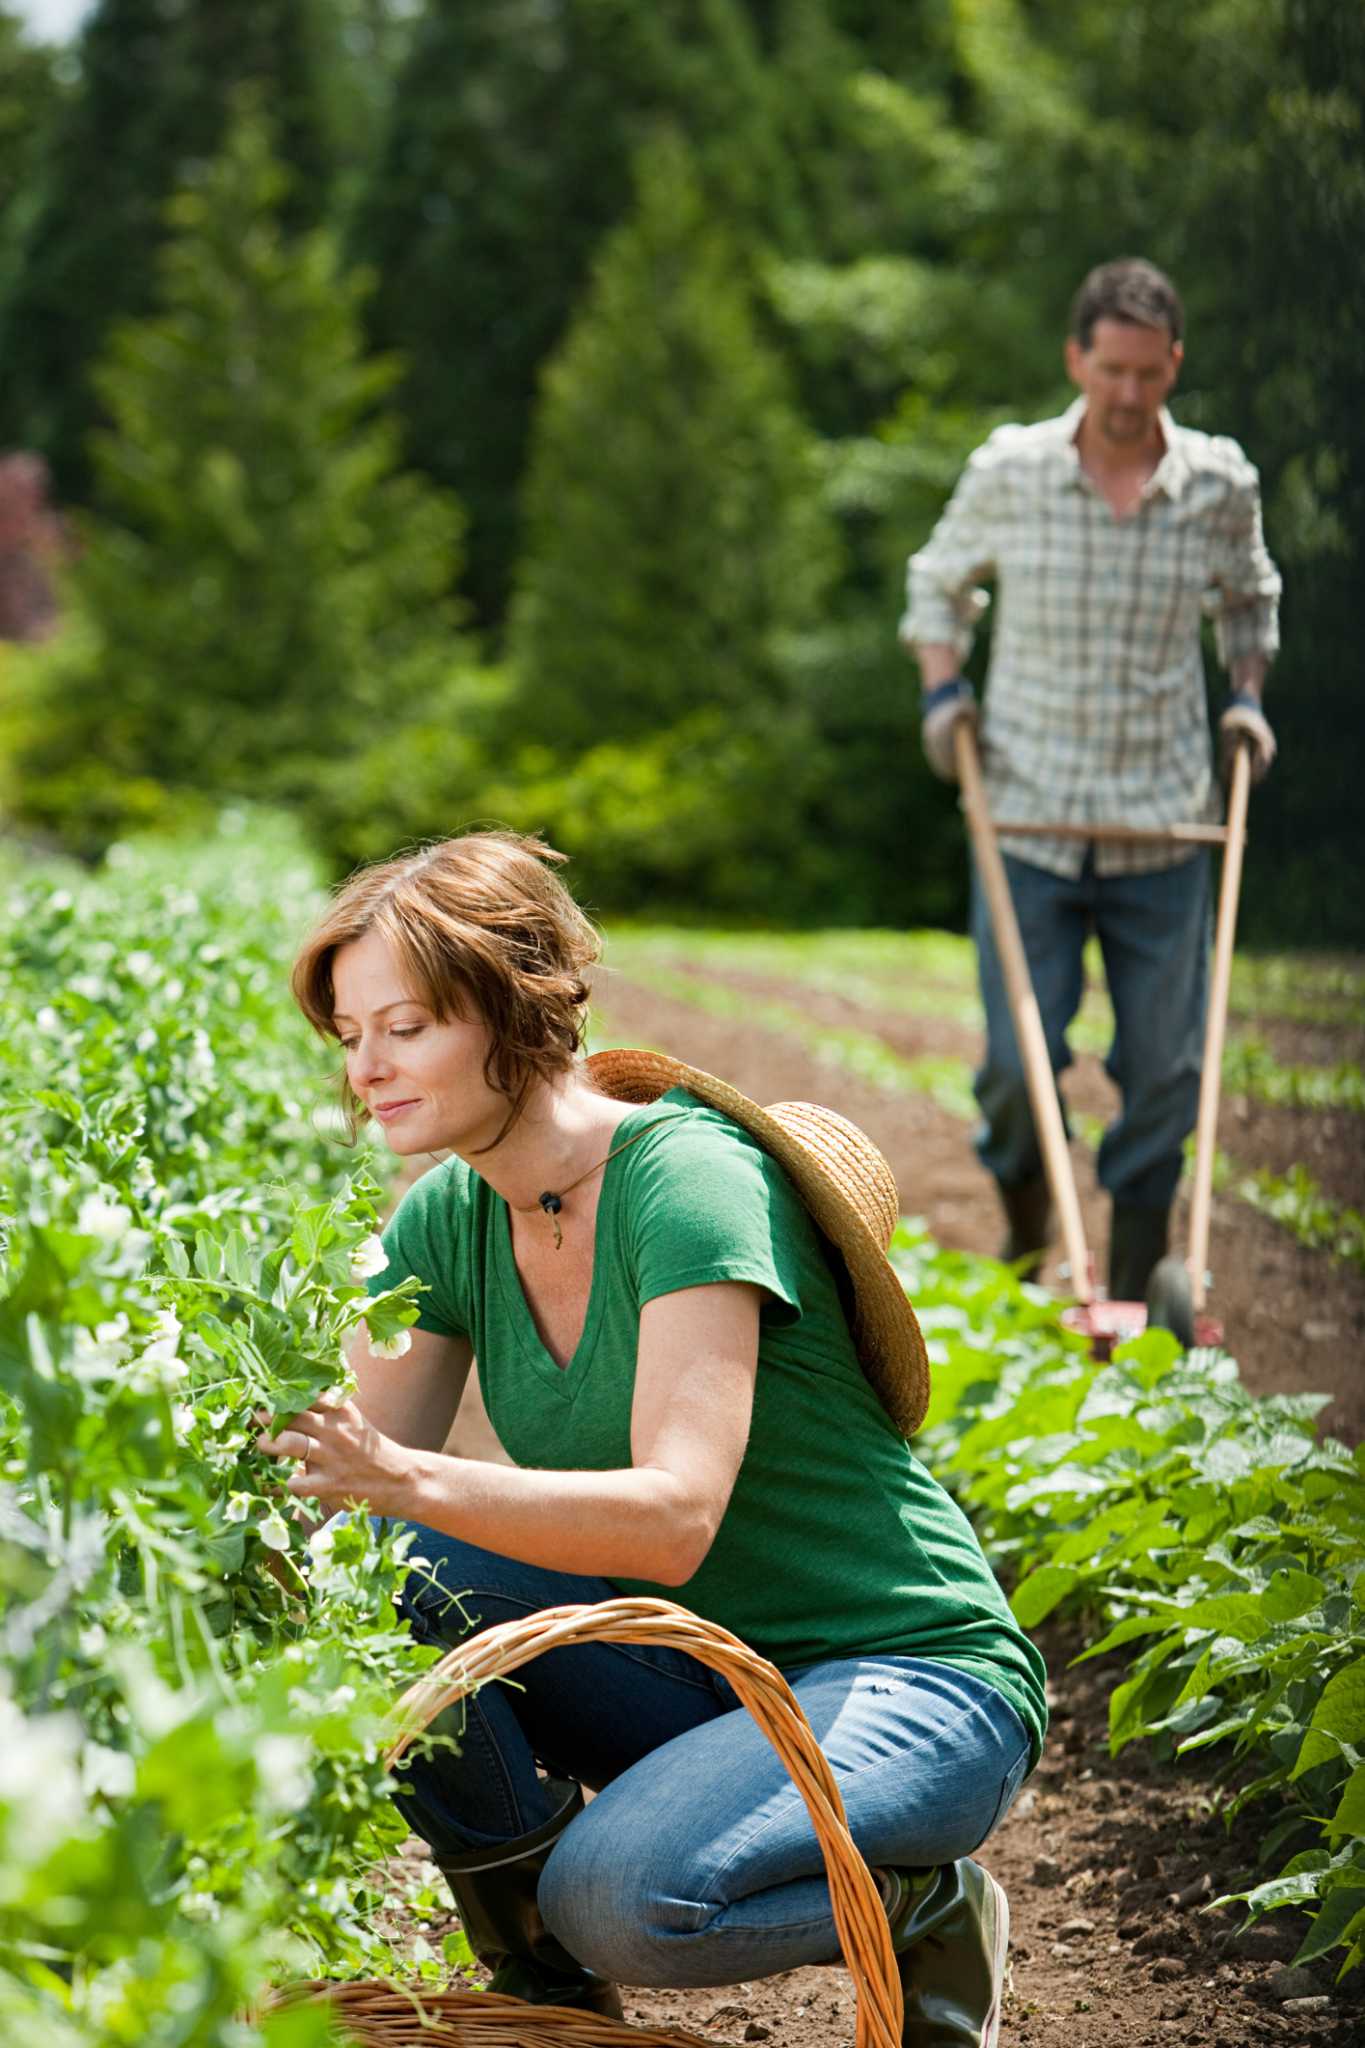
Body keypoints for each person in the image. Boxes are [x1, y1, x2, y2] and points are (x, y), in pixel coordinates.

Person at [259, 829, 1047, 2048]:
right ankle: (549, 1998)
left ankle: (920, 1904)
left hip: (909, 1677)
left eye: (404, 1027)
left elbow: (674, 1519)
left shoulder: (687, 1179)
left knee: (619, 1896)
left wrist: (403, 1475)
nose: (366, 1067)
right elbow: (335, 1510)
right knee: (389, 1581)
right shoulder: (448, 1217)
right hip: (699, 1676)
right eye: (351, 1035)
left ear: (511, 1009)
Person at [900, 257, 1281, 1298]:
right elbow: (936, 590)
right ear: (1077, 358)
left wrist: (1245, 693)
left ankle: (1127, 1301)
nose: (1126, 394)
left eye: (1148, 374)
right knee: (1017, 1071)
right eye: (1110, 369)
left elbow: (1250, 604)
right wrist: (945, 696)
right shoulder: (1012, 470)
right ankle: (1030, 1264)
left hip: (1166, 827)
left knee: (1166, 1076)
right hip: (1025, 818)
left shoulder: (1218, 484)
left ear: (1174, 367)